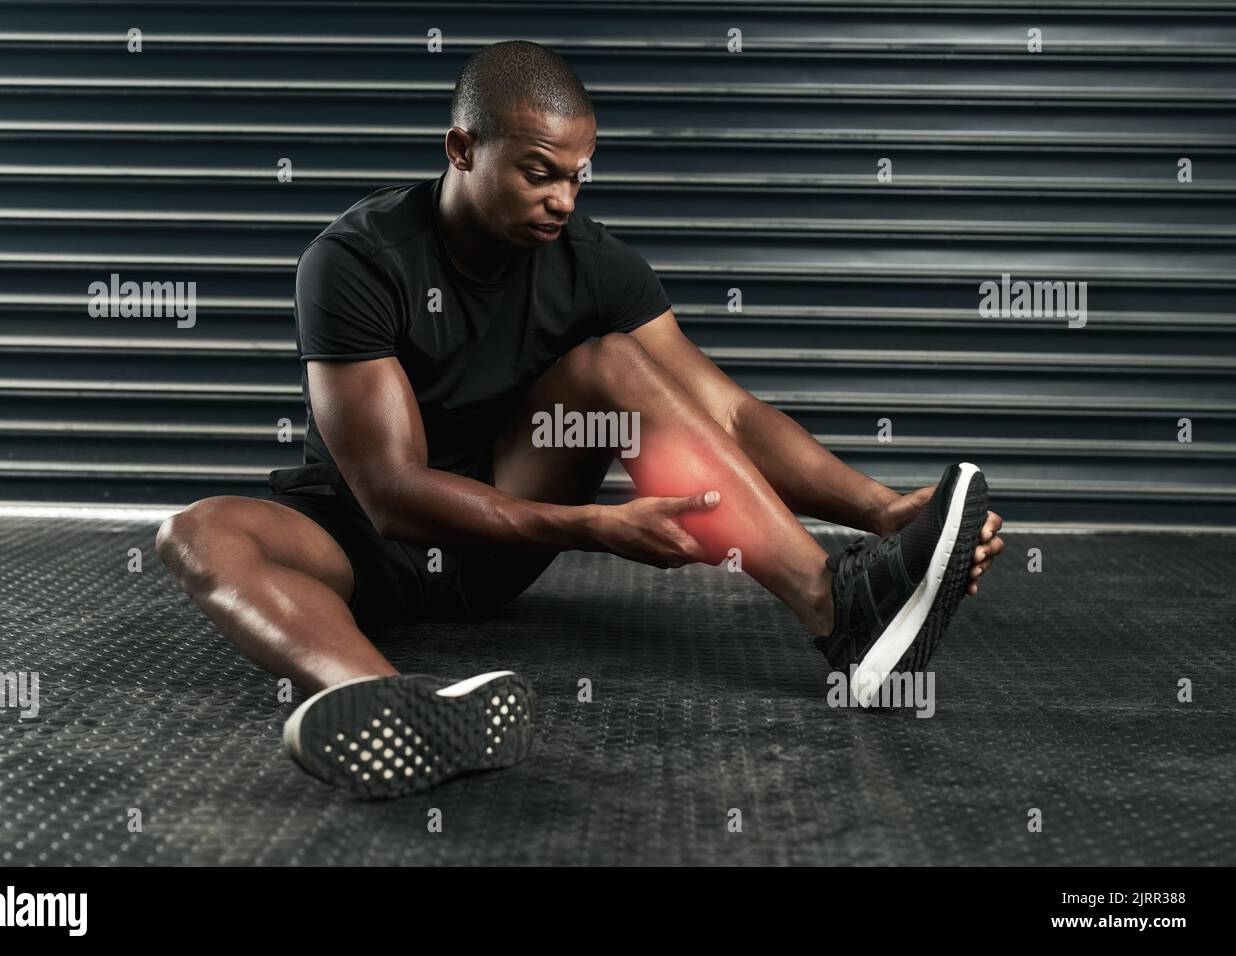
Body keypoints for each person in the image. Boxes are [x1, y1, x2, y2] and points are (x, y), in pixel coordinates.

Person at [156, 40, 1005, 800]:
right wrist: (592, 527)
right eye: (538, 172)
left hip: (496, 540)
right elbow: (390, 495)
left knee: (610, 367)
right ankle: (395, 704)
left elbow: (728, 412)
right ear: (462, 148)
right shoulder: (356, 260)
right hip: (358, 535)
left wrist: (879, 508)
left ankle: (840, 608)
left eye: (577, 175)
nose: (564, 199)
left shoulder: (590, 263)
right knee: (198, 532)